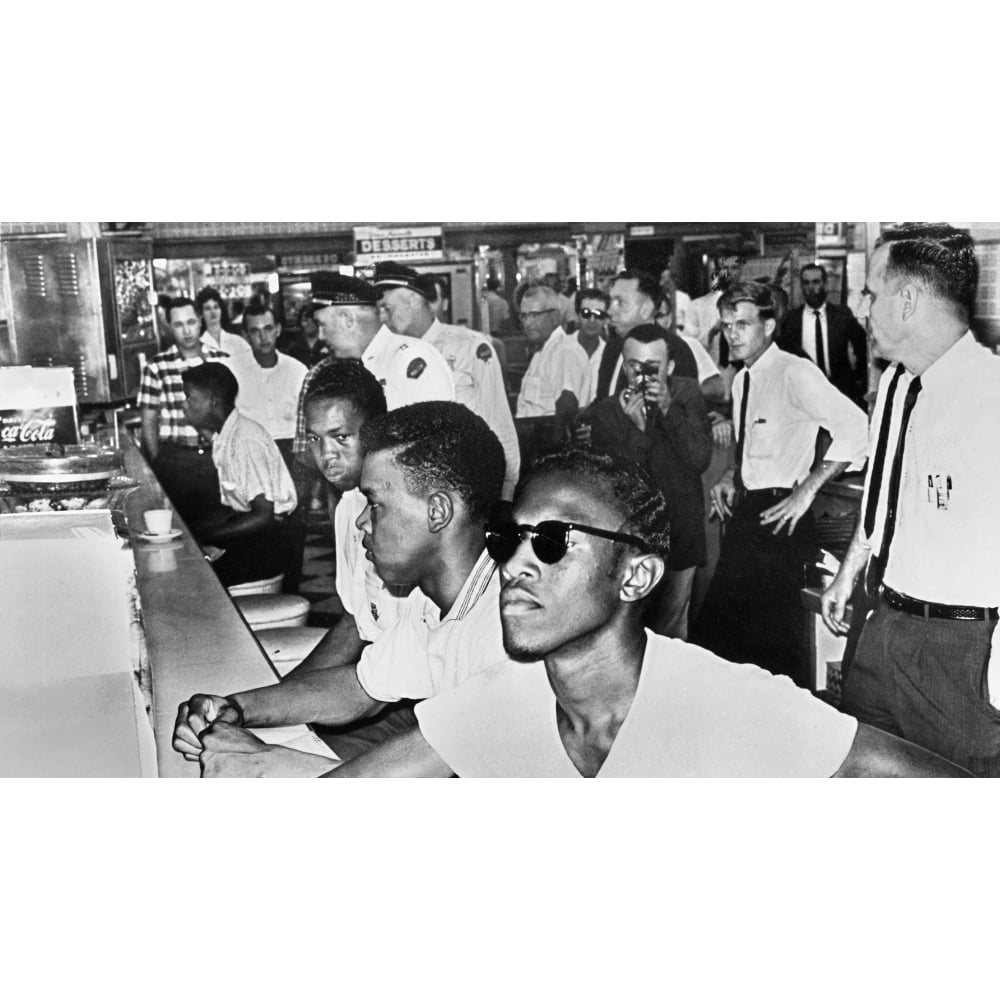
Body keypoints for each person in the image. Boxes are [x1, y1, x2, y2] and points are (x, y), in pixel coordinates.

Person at [277, 450, 967, 777]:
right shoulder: (496, 702)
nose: (516, 563)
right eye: (510, 537)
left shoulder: (725, 700)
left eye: (551, 542)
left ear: (636, 574)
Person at [171, 401, 511, 776]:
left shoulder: (507, 628)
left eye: (376, 504)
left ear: (437, 512)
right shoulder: (433, 603)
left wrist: (264, 762)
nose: (363, 521)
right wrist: (234, 707)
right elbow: (360, 688)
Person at [821, 223, 1000, 776]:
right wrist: (849, 572)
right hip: (883, 627)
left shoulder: (990, 396)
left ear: (908, 300)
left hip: (962, 649)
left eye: (871, 292)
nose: (861, 306)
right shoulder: (897, 383)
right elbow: (883, 489)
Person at [689, 280, 868, 686]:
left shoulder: (795, 373)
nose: (732, 334)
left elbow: (857, 428)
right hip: (746, 518)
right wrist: (731, 476)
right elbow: (753, 444)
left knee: (772, 654)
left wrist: (807, 489)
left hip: (781, 525)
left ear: (769, 327)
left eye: (742, 324)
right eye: (726, 324)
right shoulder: (741, 380)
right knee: (721, 645)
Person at [590, 324, 711, 640]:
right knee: (630, 634)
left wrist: (669, 408)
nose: (641, 375)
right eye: (633, 365)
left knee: (672, 634)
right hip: (633, 543)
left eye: (652, 367)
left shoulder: (686, 394)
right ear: (624, 364)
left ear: (670, 366)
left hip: (681, 536)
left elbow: (699, 459)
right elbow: (620, 486)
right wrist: (638, 432)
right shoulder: (606, 413)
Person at [373, 261, 520, 500]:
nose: (383, 317)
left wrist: (506, 493)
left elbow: (499, 420)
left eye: (388, 308)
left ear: (413, 301)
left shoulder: (469, 347)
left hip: (469, 482)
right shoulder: (386, 358)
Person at [181, 363, 297, 587]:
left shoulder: (244, 440)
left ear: (213, 401)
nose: (184, 404)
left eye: (189, 397)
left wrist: (205, 535)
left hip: (267, 545)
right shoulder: (226, 436)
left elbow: (262, 516)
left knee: (195, 581)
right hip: (255, 537)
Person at [136, 296, 231, 522]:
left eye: (190, 322)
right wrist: (160, 458)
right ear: (169, 328)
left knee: (222, 524)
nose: (186, 330)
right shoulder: (157, 366)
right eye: (178, 325)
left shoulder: (222, 360)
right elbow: (148, 419)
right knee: (182, 527)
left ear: (200, 321)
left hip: (216, 457)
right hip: (175, 458)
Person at [594, 270, 699, 402]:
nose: (610, 311)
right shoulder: (613, 346)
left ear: (646, 309)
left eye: (620, 303)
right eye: (611, 302)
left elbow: (684, 413)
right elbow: (602, 400)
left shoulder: (675, 350)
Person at [778, 263, 869, 409]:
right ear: (801, 287)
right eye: (806, 283)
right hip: (805, 397)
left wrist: (858, 380)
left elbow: (863, 348)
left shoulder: (841, 315)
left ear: (825, 284)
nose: (811, 288)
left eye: (816, 282)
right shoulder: (792, 320)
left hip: (841, 394)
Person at [235, 303, 308, 471]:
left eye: (268, 328)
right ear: (245, 336)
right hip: (250, 458)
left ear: (278, 329)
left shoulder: (297, 371)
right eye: (255, 331)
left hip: (292, 454)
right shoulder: (232, 371)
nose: (263, 337)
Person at [515, 283, 590, 423]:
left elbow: (567, 408)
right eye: (524, 316)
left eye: (535, 315)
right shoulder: (542, 350)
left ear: (555, 316)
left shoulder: (564, 350)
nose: (527, 323)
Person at [685, 253, 745, 349]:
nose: (729, 272)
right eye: (725, 268)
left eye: (734, 268)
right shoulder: (697, 306)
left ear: (741, 271)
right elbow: (689, 347)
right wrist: (712, 332)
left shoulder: (750, 303)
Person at [574, 286, 610, 408]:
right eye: (586, 313)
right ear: (577, 315)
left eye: (599, 315)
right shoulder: (560, 349)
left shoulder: (609, 355)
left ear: (606, 319)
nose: (592, 320)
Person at [194, 285, 254, 359]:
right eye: (207, 308)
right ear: (201, 313)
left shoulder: (237, 341)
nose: (213, 312)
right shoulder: (199, 345)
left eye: (216, 307)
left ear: (221, 310)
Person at [279, 304, 330, 368]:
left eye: (313, 320)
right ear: (300, 322)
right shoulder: (293, 349)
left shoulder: (329, 346)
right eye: (305, 320)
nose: (309, 323)